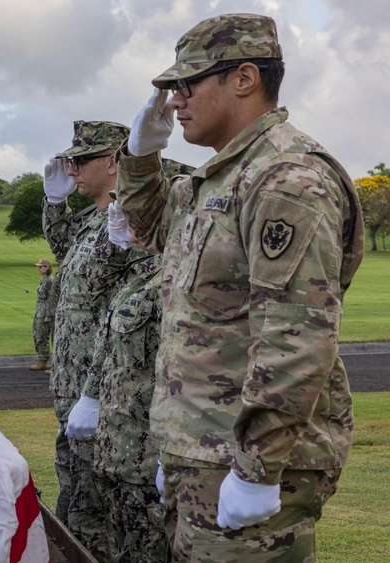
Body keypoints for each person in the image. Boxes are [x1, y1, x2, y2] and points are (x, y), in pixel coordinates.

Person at [116, 13, 364, 561]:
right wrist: (138, 158)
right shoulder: (219, 178)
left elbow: (296, 339)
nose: (175, 101)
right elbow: (151, 227)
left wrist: (255, 470)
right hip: (203, 453)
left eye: (187, 84)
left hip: (252, 463)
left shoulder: (286, 179)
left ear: (244, 79)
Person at [43, 120, 131, 561]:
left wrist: (94, 393)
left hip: (102, 390)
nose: (73, 170)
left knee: (97, 518)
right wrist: (54, 202)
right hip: (71, 389)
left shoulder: (128, 219)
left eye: (81, 161)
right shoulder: (92, 219)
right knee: (73, 505)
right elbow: (65, 250)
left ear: (113, 161)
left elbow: (113, 296)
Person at [91, 203, 169, 562]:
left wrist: (172, 456)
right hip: (120, 455)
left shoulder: (176, 281)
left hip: (150, 460)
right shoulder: (139, 277)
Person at [29, 258, 57, 372]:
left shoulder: (50, 280)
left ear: (47, 267)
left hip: (45, 312)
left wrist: (48, 314)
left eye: (41, 267)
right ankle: (42, 360)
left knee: (44, 336)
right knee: (38, 335)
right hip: (40, 311)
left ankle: (47, 361)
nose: (39, 269)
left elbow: (51, 299)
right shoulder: (44, 280)